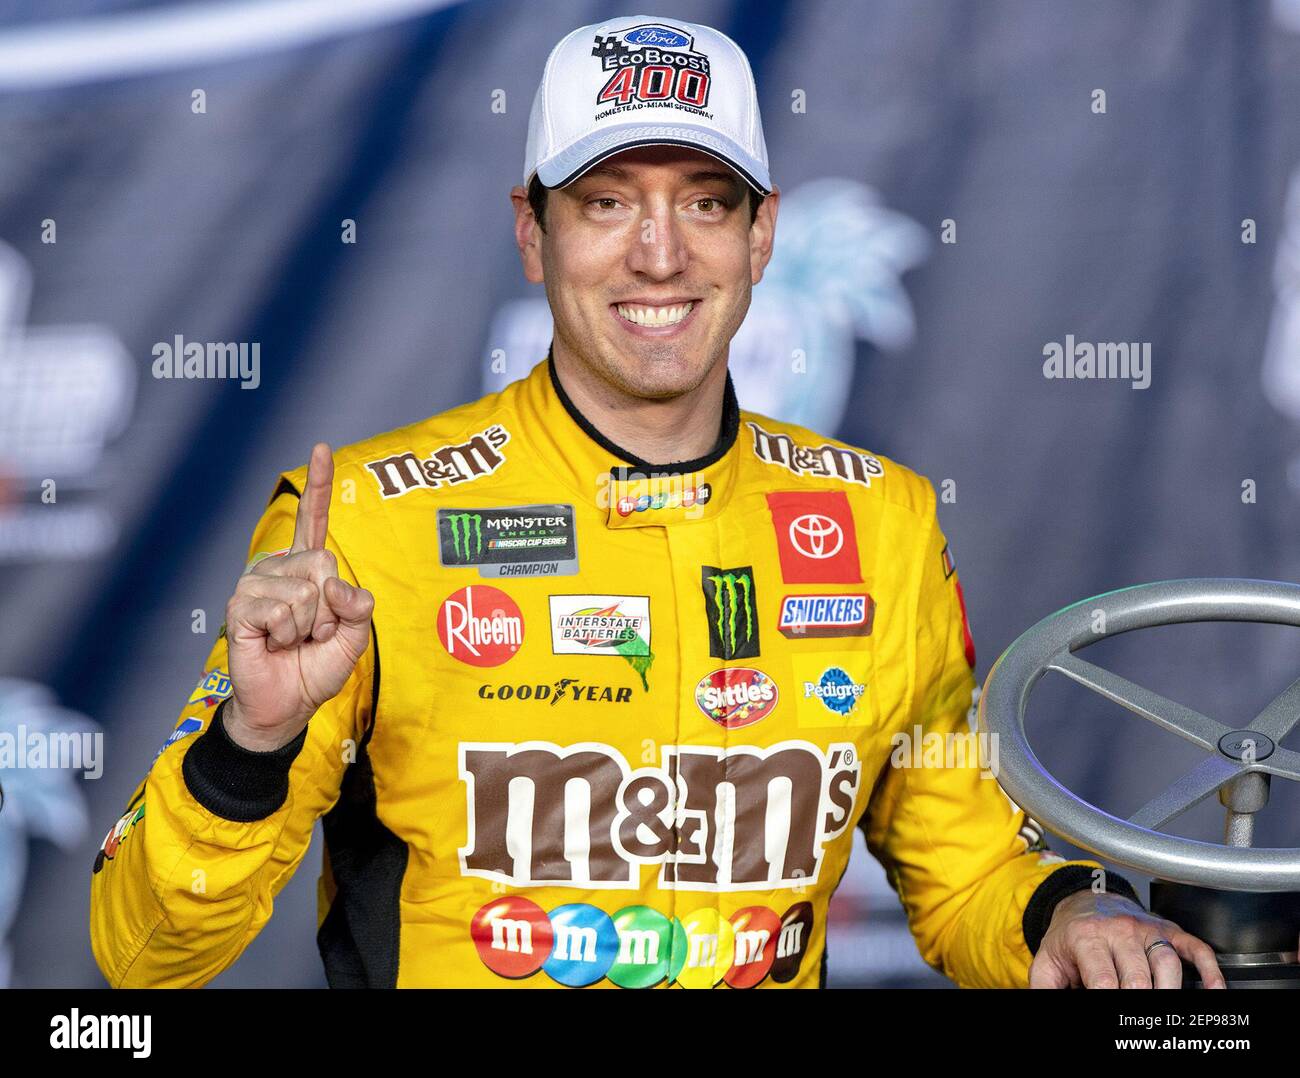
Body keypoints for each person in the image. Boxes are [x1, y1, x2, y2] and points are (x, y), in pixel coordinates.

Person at [89, 14, 1225, 989]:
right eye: (606, 201)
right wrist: (255, 738)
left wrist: (1070, 917)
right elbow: (143, 962)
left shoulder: (882, 523)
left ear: (760, 233)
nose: (659, 253)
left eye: (704, 201)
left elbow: (966, 859)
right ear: (532, 233)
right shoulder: (363, 527)